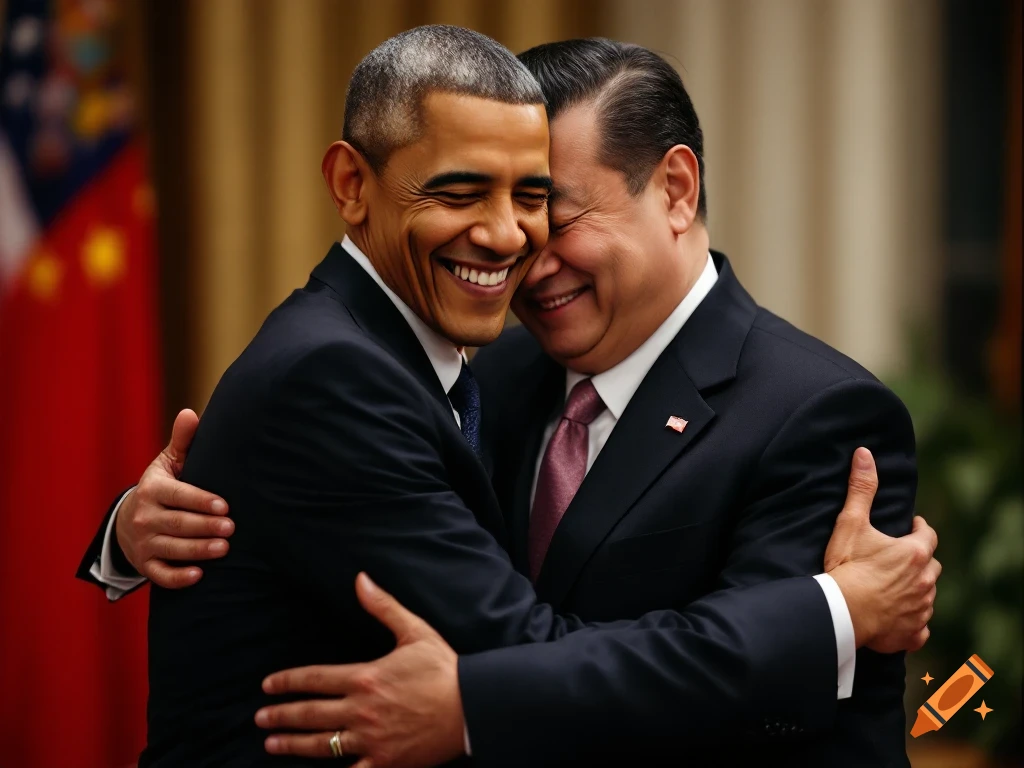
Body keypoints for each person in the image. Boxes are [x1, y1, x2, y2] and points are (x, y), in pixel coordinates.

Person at [77, 28, 938, 768]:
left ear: (675, 190)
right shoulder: (475, 371)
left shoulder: (822, 415)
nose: (517, 245)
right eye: (467, 191)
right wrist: (834, 610)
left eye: (545, 207)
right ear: (353, 185)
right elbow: (496, 625)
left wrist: (472, 707)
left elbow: (760, 718)